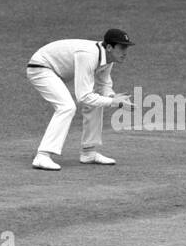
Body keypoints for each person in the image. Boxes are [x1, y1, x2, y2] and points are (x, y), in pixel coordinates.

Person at [27, 29, 135, 170]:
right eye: (122, 47)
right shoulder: (88, 55)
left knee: (97, 99)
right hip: (40, 68)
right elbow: (83, 96)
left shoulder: (108, 58)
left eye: (126, 47)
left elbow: (104, 85)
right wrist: (113, 102)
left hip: (56, 70)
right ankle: (42, 156)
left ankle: (88, 152)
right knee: (66, 107)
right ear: (109, 47)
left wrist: (113, 97)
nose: (125, 51)